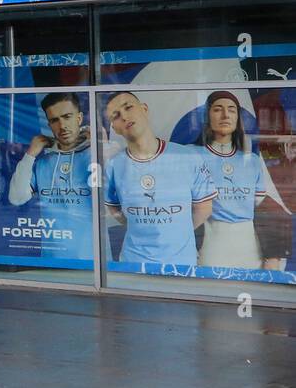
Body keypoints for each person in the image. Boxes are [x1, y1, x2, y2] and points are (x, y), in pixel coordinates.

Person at [102, 91, 216, 266]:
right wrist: (142, 226)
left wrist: (176, 233)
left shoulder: (186, 156)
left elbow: (204, 209)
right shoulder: (114, 165)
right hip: (133, 263)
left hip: (180, 263)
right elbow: (115, 210)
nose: (124, 116)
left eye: (128, 107)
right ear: (114, 127)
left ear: (144, 109)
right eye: (116, 115)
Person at [195, 90, 276, 270]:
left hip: (248, 245)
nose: (225, 115)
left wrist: (273, 255)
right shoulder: (193, 156)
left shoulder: (252, 161)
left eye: (231, 110)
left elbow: (262, 208)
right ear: (207, 116)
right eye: (217, 109)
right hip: (212, 244)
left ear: (238, 118)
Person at [6, 92, 93, 256]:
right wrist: (30, 154)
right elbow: (16, 198)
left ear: (79, 118)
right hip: (53, 257)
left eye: (67, 116)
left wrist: (102, 149)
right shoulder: (43, 162)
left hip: (92, 258)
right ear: (49, 124)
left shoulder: (95, 155)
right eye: (54, 120)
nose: (62, 125)